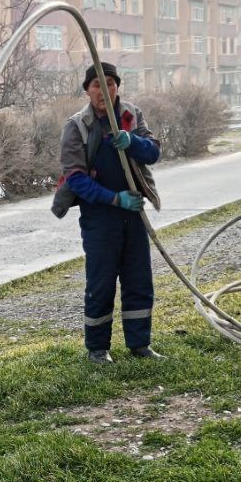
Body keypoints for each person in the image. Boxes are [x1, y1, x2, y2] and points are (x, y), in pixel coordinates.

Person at [55, 62, 162, 363]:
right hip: (100, 217)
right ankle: (98, 349)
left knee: (139, 279)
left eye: (111, 84)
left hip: (135, 214)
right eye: (97, 86)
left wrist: (133, 142)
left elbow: (153, 152)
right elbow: (75, 178)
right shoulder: (77, 126)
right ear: (87, 91)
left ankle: (140, 344)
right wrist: (115, 199)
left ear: (118, 86)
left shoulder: (131, 116)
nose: (105, 91)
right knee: (101, 282)